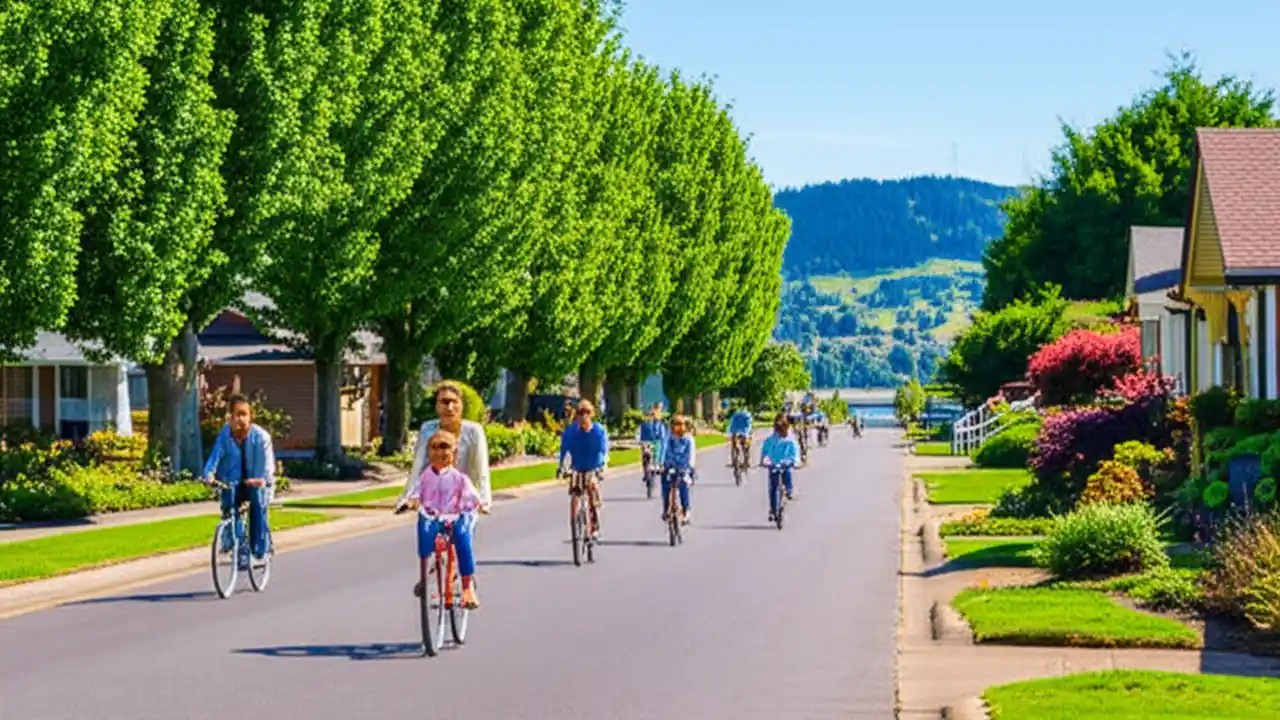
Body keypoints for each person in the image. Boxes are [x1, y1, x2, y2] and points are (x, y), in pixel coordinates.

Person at [397, 429, 483, 609]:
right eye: (434, 448)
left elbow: (471, 496)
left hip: (454, 515)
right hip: (433, 515)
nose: (439, 452)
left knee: (462, 537)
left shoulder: (459, 478)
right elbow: (416, 493)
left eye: (444, 447)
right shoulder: (426, 477)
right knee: (424, 530)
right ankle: (424, 576)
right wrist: (410, 502)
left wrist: (478, 505)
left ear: (454, 452)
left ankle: (467, 585)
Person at [203, 394, 276, 570]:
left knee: (257, 501)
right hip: (235, 482)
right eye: (236, 414)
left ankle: (259, 551)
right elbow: (214, 458)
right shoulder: (225, 435)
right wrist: (209, 475)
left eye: (244, 414)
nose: (240, 419)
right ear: (230, 417)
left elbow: (267, 467)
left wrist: (261, 479)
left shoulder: (261, 438)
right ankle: (235, 545)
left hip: (258, 484)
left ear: (251, 417)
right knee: (229, 503)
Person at [403, 382, 492, 514]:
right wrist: (408, 497)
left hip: (463, 501)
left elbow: (481, 470)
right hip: (434, 501)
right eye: (444, 402)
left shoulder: (474, 431)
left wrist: (483, 502)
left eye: (454, 402)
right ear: (437, 406)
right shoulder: (428, 429)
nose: (449, 408)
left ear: (461, 405)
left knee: (461, 533)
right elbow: (418, 466)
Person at [559, 399, 609, 538]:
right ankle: (575, 520)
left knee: (592, 486)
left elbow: (604, 450)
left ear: (591, 414)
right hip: (577, 466)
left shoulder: (598, 431)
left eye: (586, 412)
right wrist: (561, 467)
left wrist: (604, 464)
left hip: (594, 466)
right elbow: (564, 451)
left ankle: (595, 522)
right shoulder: (571, 432)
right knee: (575, 489)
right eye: (580, 413)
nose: (583, 416)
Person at [760, 414, 801, 522]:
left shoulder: (790, 440)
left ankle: (789, 490)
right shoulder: (770, 440)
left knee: (787, 473)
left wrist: (795, 461)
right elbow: (765, 452)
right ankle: (773, 510)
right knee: (773, 487)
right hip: (773, 465)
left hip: (785, 463)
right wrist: (765, 460)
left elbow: (795, 452)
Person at [661, 414, 697, 525]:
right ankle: (666, 508)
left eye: (680, 424)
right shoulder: (668, 439)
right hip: (670, 467)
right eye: (675, 424)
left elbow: (691, 456)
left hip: (684, 468)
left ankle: (686, 510)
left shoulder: (688, 440)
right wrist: (660, 465)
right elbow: (663, 452)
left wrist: (689, 467)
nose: (677, 427)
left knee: (683, 485)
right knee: (666, 485)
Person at [637, 403, 668, 479]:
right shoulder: (645, 424)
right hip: (646, 442)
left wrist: (661, 462)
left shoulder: (660, 425)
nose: (652, 417)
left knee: (658, 447)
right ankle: (646, 471)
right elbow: (639, 433)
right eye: (651, 415)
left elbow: (663, 440)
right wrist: (639, 441)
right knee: (645, 453)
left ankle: (657, 464)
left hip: (655, 442)